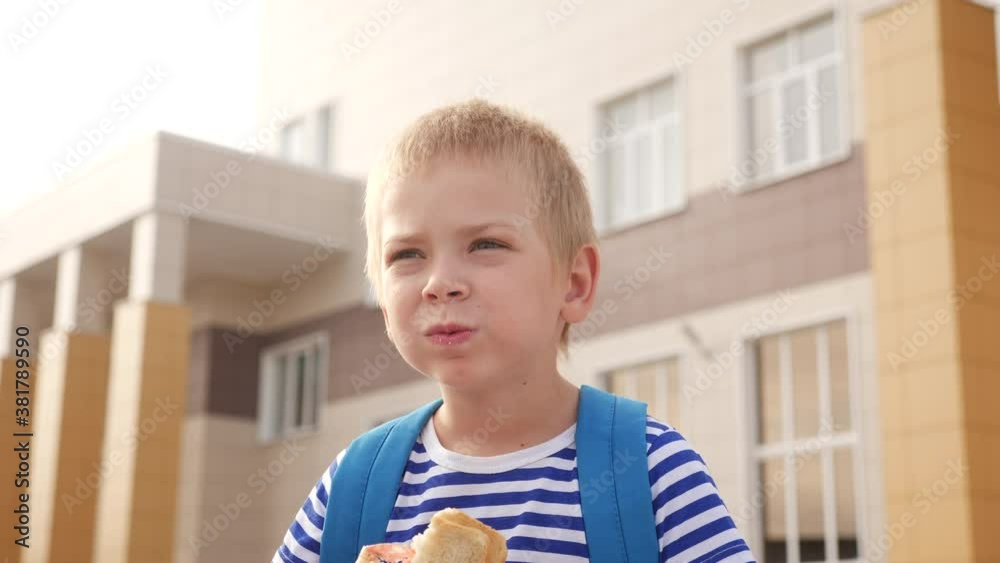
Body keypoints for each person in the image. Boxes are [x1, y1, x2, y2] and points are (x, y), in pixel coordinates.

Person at [272, 99, 755, 562]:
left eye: (484, 244)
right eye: (407, 255)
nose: (439, 284)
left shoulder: (649, 469)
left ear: (574, 282)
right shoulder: (352, 487)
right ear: (380, 299)